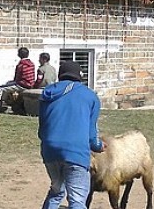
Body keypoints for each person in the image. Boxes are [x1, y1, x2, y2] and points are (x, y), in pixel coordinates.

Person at [37, 60, 105, 209]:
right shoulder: (90, 96)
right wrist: (99, 146)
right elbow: (92, 136)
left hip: (50, 151)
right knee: (77, 200)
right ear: (80, 76)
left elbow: (42, 130)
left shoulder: (46, 94)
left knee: (56, 192)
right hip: (76, 153)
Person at [0, 47, 35, 112]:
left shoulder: (21, 65)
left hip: (22, 85)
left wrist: (14, 82)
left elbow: (17, 78)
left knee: (0, 88)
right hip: (30, 84)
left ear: (19, 55)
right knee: (7, 84)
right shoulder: (32, 64)